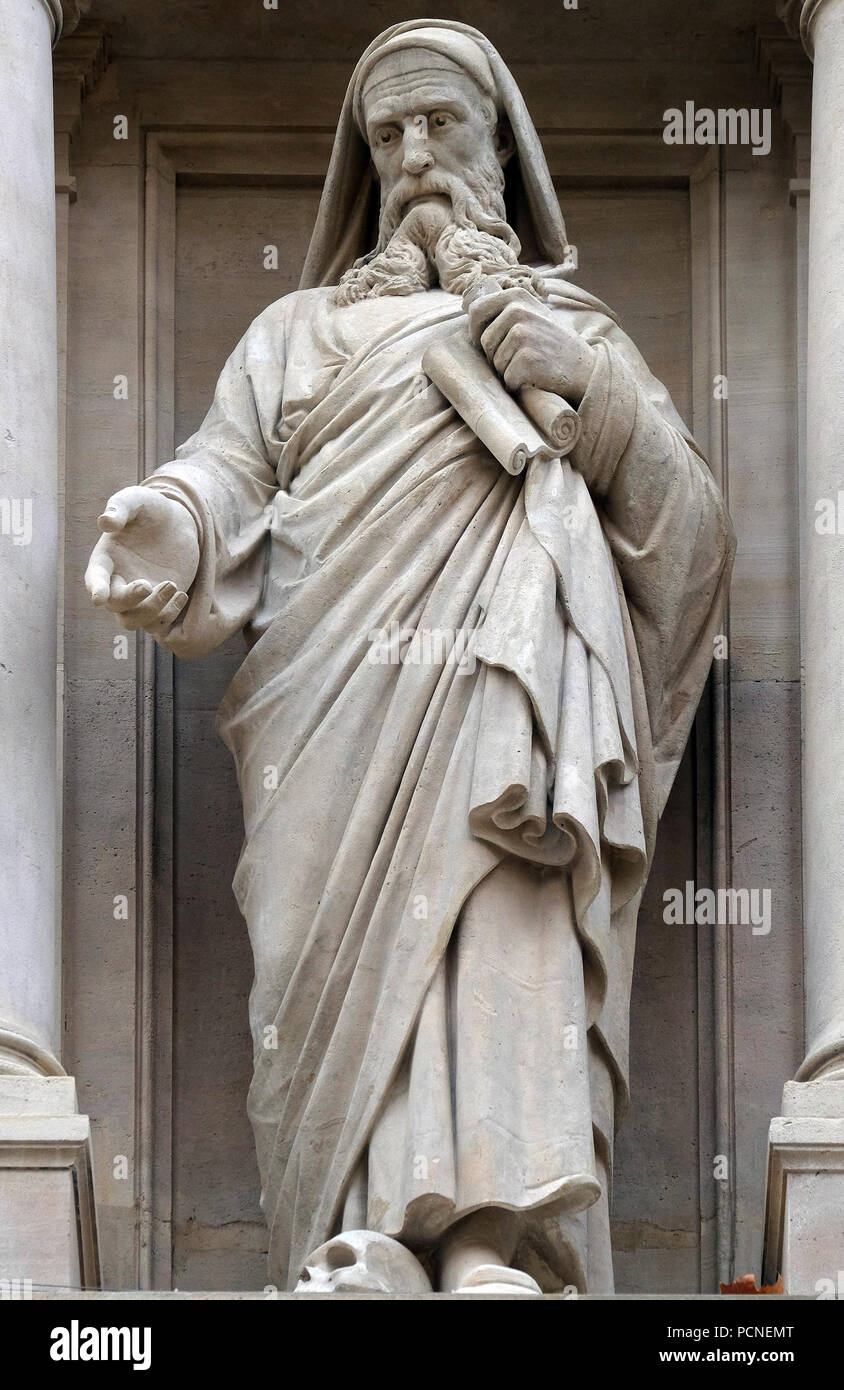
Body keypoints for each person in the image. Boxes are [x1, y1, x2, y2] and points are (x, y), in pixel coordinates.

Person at [85, 20, 734, 1294]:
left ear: (501, 147)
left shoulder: (570, 327)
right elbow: (228, 471)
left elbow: (693, 545)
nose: (418, 156)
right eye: (389, 137)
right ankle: (353, 1228)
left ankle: (494, 1240)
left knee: (496, 921)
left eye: (443, 125)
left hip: (509, 686)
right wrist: (174, 521)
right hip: (332, 698)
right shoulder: (297, 331)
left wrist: (589, 401)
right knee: (329, 936)